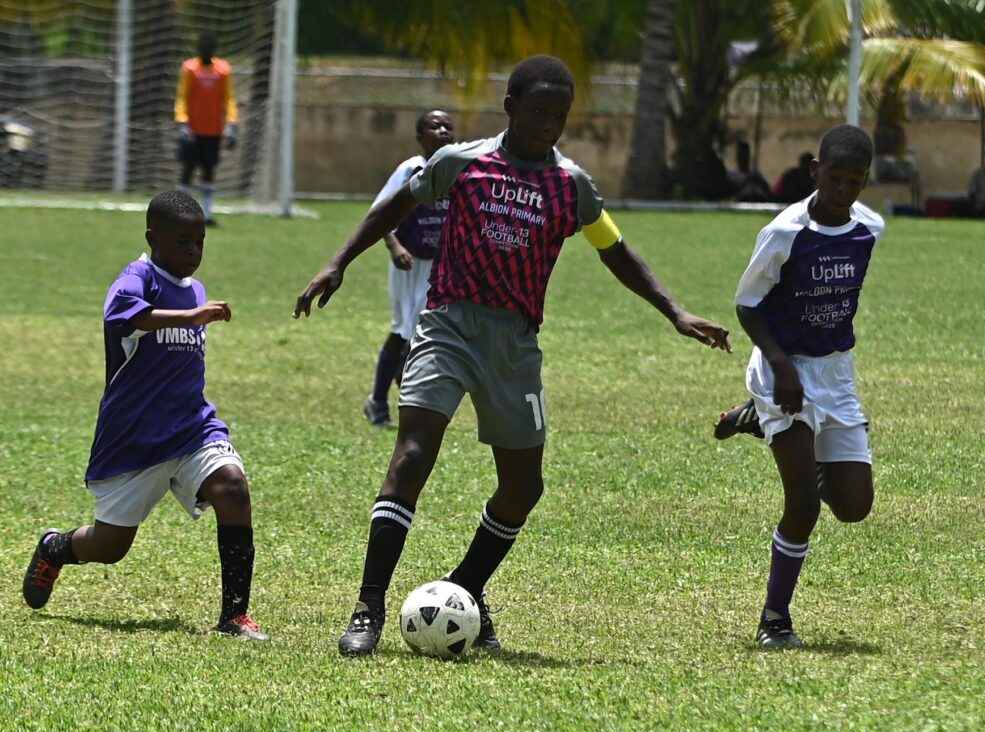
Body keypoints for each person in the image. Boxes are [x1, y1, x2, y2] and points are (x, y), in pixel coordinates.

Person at [293, 54, 732, 657]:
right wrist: (338, 260)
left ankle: (462, 590)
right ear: (510, 108)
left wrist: (673, 310)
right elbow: (396, 205)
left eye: (558, 115)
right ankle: (367, 607)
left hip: (515, 344)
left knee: (524, 486)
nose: (547, 125)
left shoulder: (571, 185)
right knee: (413, 452)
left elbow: (615, 250)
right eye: (536, 112)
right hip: (448, 324)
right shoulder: (461, 162)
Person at [21, 190, 267, 641]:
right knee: (109, 547)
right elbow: (122, 314)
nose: (192, 252)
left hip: (193, 427)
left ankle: (234, 616)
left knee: (232, 487)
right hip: (135, 438)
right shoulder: (137, 278)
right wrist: (191, 316)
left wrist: (194, 310)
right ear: (153, 237)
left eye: (199, 242)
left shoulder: (195, 289)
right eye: (182, 242)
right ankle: (55, 548)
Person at [713, 125, 885, 649]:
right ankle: (774, 620)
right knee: (803, 504)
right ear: (815, 171)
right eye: (834, 178)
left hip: (835, 374)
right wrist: (782, 366)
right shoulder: (784, 232)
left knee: (854, 506)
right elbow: (747, 304)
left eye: (854, 182)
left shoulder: (870, 227)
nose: (842, 190)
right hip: (781, 370)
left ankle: (757, 422)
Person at [363, 109, 455, 428]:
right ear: (420, 137)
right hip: (409, 263)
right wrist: (394, 246)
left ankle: (397, 401)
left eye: (448, 126)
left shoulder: (455, 171)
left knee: (420, 332)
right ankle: (381, 400)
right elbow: (381, 211)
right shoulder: (411, 169)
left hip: (439, 264)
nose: (443, 130)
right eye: (435, 126)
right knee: (404, 330)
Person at [175, 32, 238, 226]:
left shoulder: (223, 70)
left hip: (213, 131)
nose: (206, 51)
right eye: (203, 47)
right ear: (198, 49)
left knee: (209, 170)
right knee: (188, 169)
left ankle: (207, 213)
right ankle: (179, 212)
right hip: (193, 130)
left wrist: (232, 124)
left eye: (210, 48)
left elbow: (228, 99)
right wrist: (182, 122)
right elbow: (182, 97)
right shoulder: (189, 68)